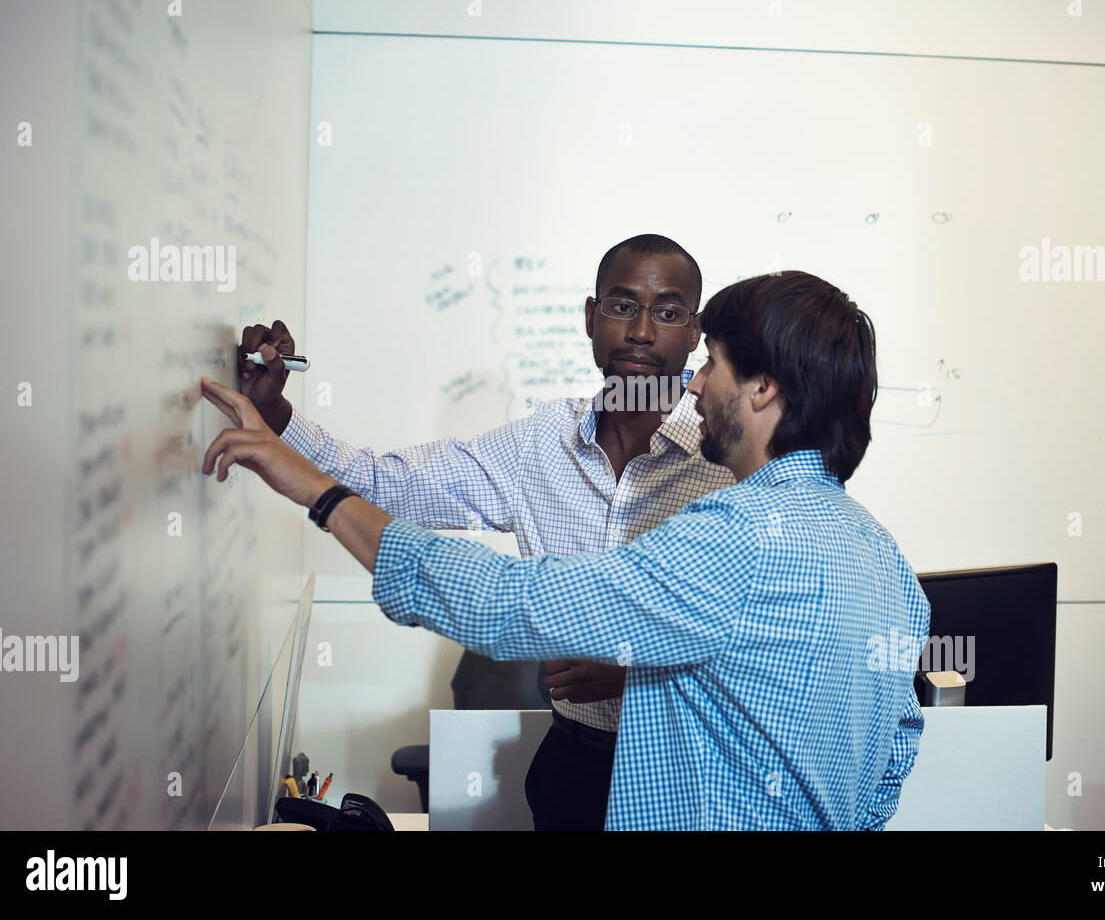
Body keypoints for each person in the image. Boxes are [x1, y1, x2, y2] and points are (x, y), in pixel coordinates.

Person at [201, 270, 931, 829]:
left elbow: (511, 602)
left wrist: (317, 496)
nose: (697, 384)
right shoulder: (884, 556)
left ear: (764, 388)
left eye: (710, 360)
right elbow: (897, 745)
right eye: (622, 305)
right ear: (592, 317)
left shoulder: (733, 536)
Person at [237, 234, 734, 829]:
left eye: (669, 312)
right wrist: (276, 418)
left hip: (693, 775)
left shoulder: (729, 460)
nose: (642, 332)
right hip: (570, 765)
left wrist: (639, 675)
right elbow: (388, 482)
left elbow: (776, 644)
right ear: (590, 317)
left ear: (696, 331)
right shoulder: (542, 443)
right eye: (622, 306)